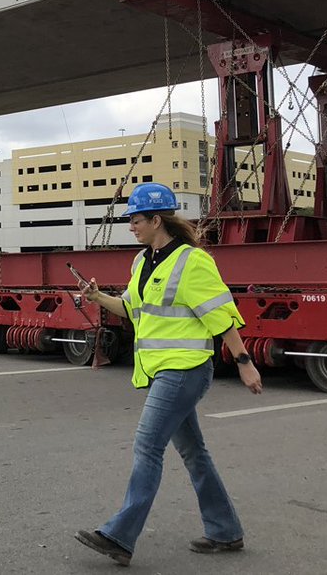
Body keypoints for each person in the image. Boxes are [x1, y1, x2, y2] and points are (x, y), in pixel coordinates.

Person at [74, 182, 263, 567]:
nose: (131, 226)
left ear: (157, 219)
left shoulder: (193, 261)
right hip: (161, 371)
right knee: (194, 452)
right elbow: (131, 308)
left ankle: (120, 536)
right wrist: (97, 298)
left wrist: (244, 362)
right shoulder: (143, 262)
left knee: (147, 446)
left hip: (185, 370)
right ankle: (225, 531)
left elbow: (221, 314)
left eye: (136, 219)